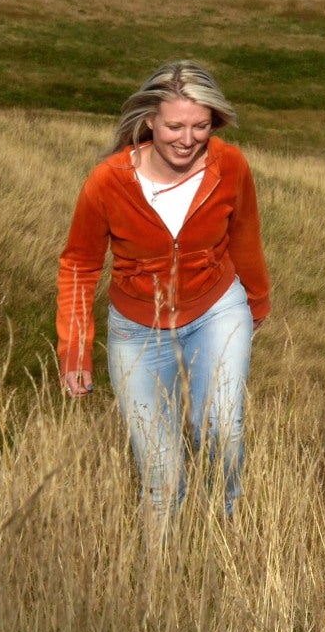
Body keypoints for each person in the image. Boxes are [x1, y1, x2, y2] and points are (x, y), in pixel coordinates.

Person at [57, 58, 270, 520]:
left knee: (219, 429)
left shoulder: (230, 164)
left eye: (201, 126)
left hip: (216, 309)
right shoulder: (108, 183)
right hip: (137, 331)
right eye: (174, 126)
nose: (187, 139)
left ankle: (226, 530)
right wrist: (75, 350)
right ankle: (159, 581)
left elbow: (245, 235)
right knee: (161, 472)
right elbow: (78, 265)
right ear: (148, 119)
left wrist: (255, 303)